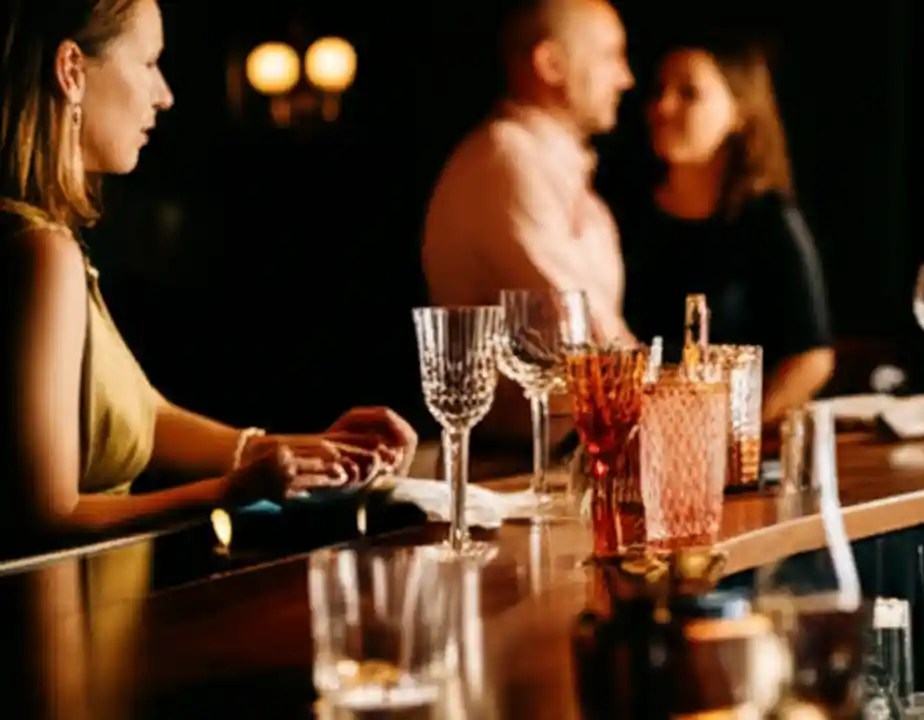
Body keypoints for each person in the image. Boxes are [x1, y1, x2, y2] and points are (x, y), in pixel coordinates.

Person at [0, 0, 417, 546]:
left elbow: (136, 413)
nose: (165, 95)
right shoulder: (40, 252)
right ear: (71, 70)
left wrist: (287, 449)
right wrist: (230, 491)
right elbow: (45, 517)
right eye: (149, 62)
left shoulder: (44, 241)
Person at [421, 0, 636, 444]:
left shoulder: (548, 163)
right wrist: (685, 403)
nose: (625, 78)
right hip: (516, 463)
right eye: (610, 56)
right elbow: (579, 332)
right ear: (551, 64)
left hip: (562, 450)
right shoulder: (508, 158)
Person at [618, 36, 835, 423]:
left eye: (689, 93)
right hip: (638, 432)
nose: (663, 106)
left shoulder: (767, 219)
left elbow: (812, 356)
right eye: (659, 91)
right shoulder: (622, 209)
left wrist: (741, 427)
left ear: (739, 111)